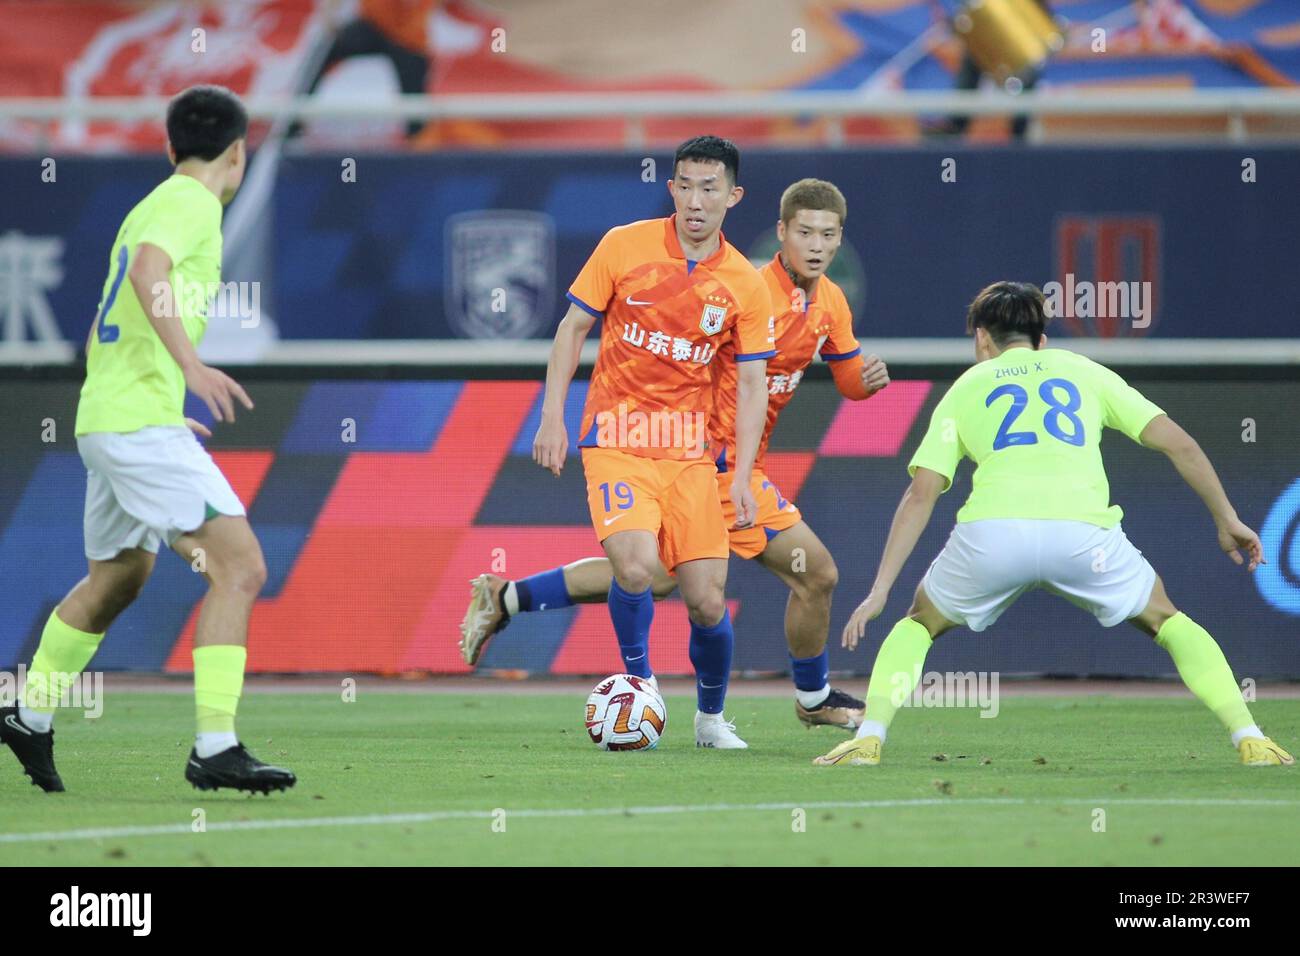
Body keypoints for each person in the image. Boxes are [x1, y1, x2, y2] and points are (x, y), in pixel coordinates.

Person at [461, 179, 890, 731]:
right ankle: (793, 701)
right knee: (779, 574)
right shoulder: (747, 289)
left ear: (839, 241)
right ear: (781, 233)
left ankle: (507, 597)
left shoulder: (829, 301)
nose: (815, 244)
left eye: (827, 235)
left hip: (738, 470)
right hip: (702, 462)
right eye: (804, 231)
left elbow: (847, 373)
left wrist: (865, 380)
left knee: (666, 576)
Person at [815, 281, 1292, 768]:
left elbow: (922, 493)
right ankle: (1249, 737)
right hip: (1084, 538)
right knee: (1167, 620)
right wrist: (1226, 517)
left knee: (919, 623)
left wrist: (879, 590)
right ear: (1041, 339)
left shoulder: (967, 387)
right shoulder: (1083, 370)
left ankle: (869, 738)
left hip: (993, 538)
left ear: (982, 339)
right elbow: (1181, 444)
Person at [0, 86, 296, 794]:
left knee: (118, 578)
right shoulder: (190, 200)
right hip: (132, 422)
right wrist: (190, 368)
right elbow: (147, 274)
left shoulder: (153, 203)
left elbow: (124, 307)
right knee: (240, 568)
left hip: (115, 416)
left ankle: (28, 714)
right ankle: (215, 747)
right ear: (237, 151)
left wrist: (165, 403)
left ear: (170, 146)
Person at [529, 136, 774, 749]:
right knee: (635, 566)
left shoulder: (745, 283)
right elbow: (572, 327)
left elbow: (751, 386)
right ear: (672, 188)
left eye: (709, 188)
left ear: (733, 196)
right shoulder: (623, 244)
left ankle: (711, 720)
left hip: (690, 455)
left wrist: (742, 476)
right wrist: (551, 417)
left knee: (707, 602)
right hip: (617, 438)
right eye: (685, 185)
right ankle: (641, 685)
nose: (695, 200)